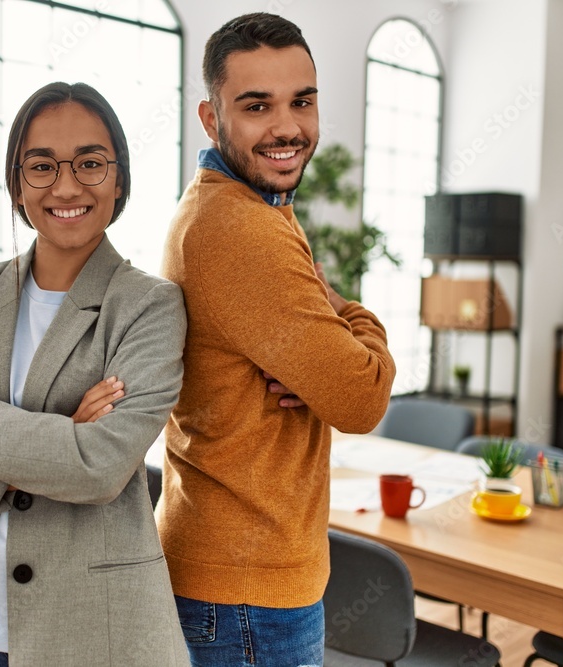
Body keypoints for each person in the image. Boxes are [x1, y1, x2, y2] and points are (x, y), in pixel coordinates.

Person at [0, 81, 189, 666]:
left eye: (90, 163)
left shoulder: (150, 305)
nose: (67, 186)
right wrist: (59, 436)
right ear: (15, 183)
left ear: (119, 178)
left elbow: (100, 466)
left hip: (90, 621)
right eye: (42, 166)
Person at [157, 13, 396, 666]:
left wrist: (326, 338)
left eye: (303, 101)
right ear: (211, 119)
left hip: (225, 572)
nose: (288, 127)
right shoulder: (243, 231)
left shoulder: (238, 206)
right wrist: (349, 314)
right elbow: (362, 397)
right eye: (257, 105)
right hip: (245, 590)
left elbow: (339, 383)